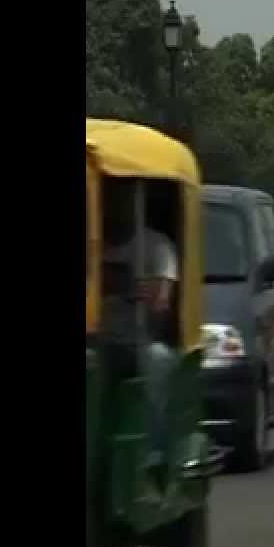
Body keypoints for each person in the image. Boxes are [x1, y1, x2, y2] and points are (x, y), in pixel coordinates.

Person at [102, 186, 180, 463]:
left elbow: (162, 307)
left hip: (138, 340)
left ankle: (154, 453)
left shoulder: (157, 247)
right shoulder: (92, 243)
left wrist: (142, 295)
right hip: (96, 341)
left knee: (159, 360)